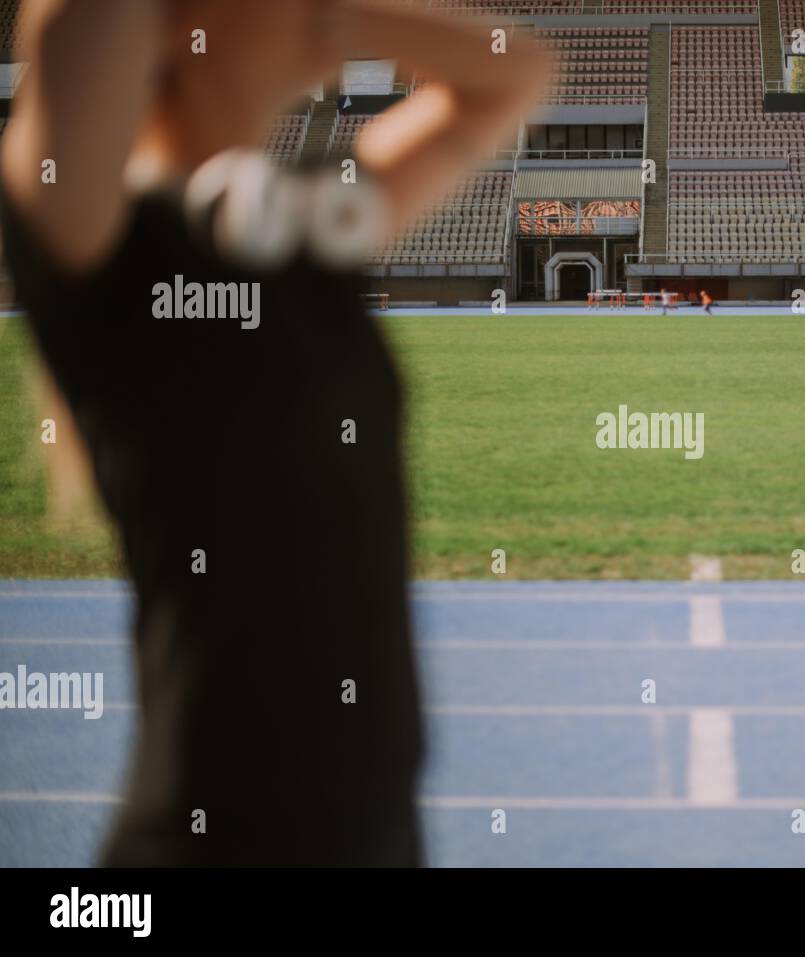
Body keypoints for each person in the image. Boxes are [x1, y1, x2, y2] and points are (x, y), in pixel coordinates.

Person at [0, 0, 548, 866]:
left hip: (377, 835)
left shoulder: (303, 224)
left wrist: (333, 17)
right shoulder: (111, 253)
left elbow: (514, 72)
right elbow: (74, 28)